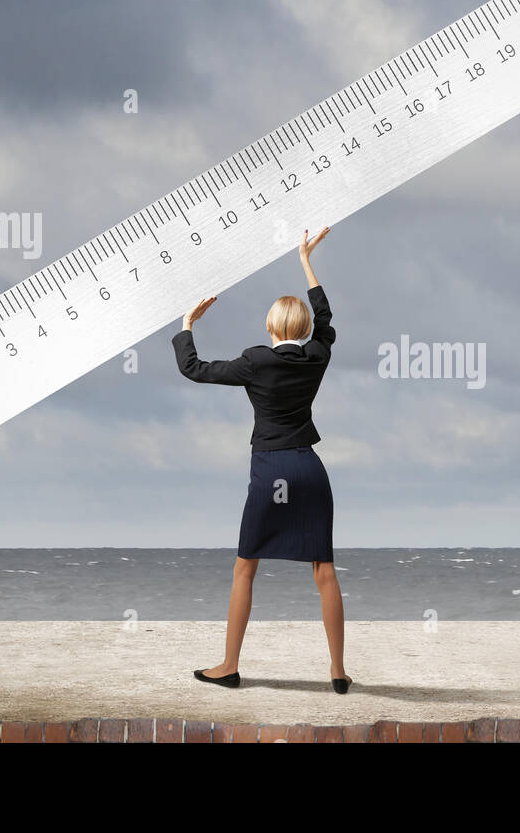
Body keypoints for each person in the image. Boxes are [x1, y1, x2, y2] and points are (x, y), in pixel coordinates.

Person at [172, 226, 351, 694]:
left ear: (271, 327)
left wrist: (187, 324)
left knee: (245, 567)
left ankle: (230, 665)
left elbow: (194, 370)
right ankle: (337, 671)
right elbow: (327, 320)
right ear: (305, 329)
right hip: (310, 468)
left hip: (271, 468)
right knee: (324, 570)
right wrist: (306, 261)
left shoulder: (255, 361)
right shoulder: (318, 355)